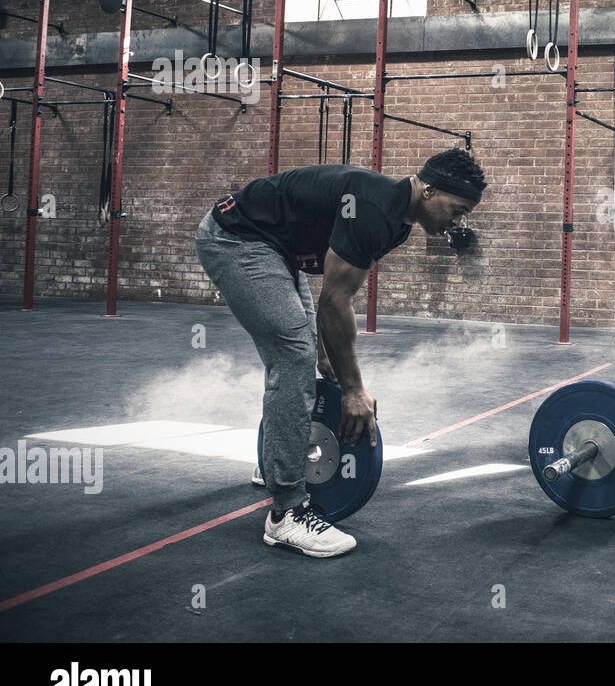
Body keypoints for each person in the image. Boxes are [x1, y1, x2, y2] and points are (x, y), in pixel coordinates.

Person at [195, 149, 486, 557]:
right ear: (428, 189)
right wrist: (353, 389)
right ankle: (286, 514)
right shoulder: (374, 208)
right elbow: (334, 301)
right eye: (457, 209)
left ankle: (280, 458)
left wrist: (333, 359)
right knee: (295, 353)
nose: (458, 221)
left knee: (312, 353)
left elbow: (336, 292)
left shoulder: (398, 219)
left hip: (275, 250)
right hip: (236, 239)